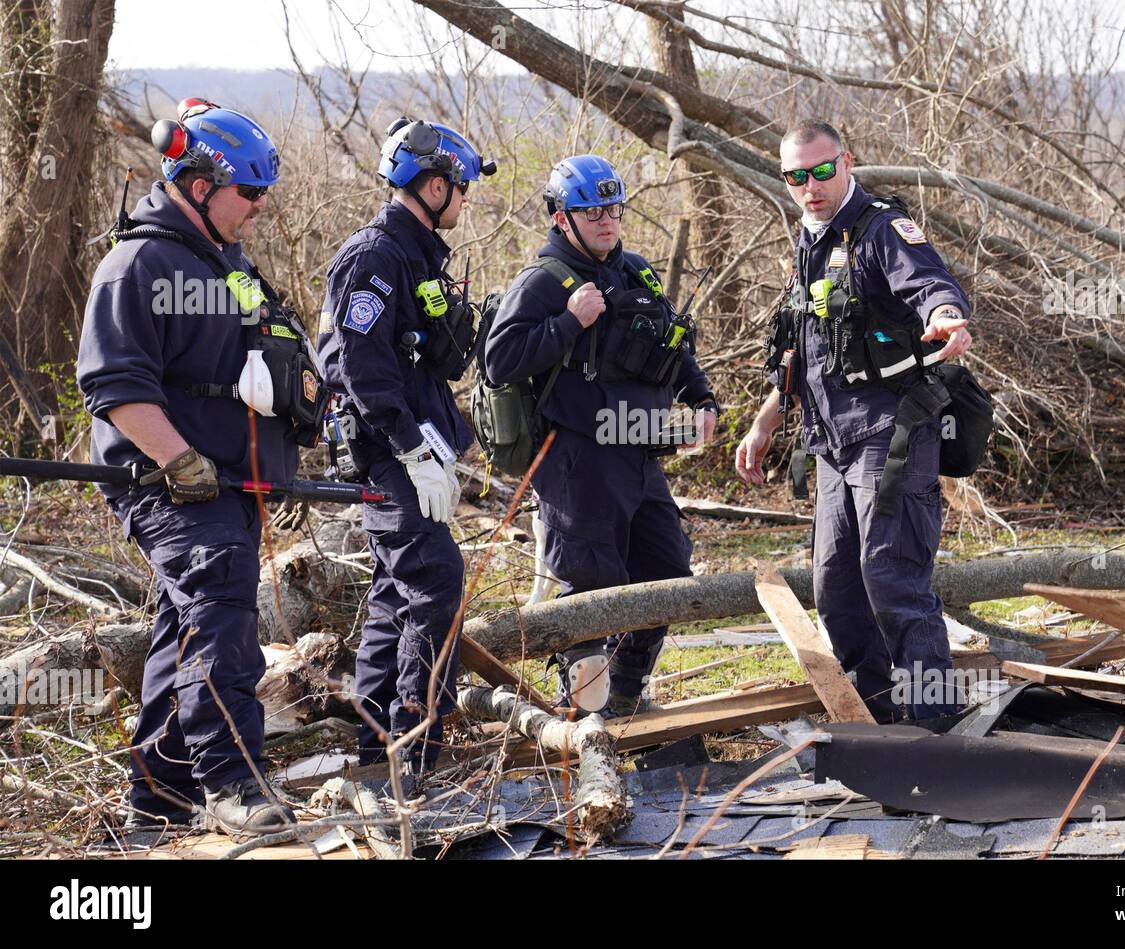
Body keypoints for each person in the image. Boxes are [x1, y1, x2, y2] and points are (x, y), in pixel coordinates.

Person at [78, 98, 315, 837]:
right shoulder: (138, 264)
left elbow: (266, 348)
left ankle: (156, 801)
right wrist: (179, 460)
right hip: (171, 486)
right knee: (221, 610)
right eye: (249, 191)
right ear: (201, 182)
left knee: (184, 628)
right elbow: (115, 387)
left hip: (231, 483)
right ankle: (232, 779)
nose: (259, 205)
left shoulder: (228, 263)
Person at [735, 121, 974, 722]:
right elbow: (801, 342)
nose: (810, 187)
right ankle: (878, 718)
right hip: (830, 439)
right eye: (796, 176)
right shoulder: (810, 241)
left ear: (846, 162)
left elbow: (930, 283)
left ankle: (934, 728)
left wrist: (946, 317)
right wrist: (766, 420)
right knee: (836, 590)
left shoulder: (881, 229)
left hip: (889, 432)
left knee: (892, 578)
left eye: (821, 171)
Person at [484, 154, 719, 717]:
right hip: (578, 463)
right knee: (591, 589)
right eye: (592, 212)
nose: (607, 221)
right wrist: (568, 321)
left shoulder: (634, 270)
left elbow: (673, 346)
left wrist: (702, 397)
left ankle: (626, 700)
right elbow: (500, 361)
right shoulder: (543, 281)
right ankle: (584, 726)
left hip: (640, 453)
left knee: (666, 575)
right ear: (562, 217)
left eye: (613, 208)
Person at [317, 119, 494, 773]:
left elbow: (418, 362)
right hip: (390, 455)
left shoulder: (418, 255)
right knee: (434, 581)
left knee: (396, 595)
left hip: (413, 451)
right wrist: (412, 447)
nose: (467, 201)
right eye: (463, 188)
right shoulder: (375, 257)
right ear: (436, 184)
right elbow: (357, 366)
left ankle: (376, 752)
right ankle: (414, 749)